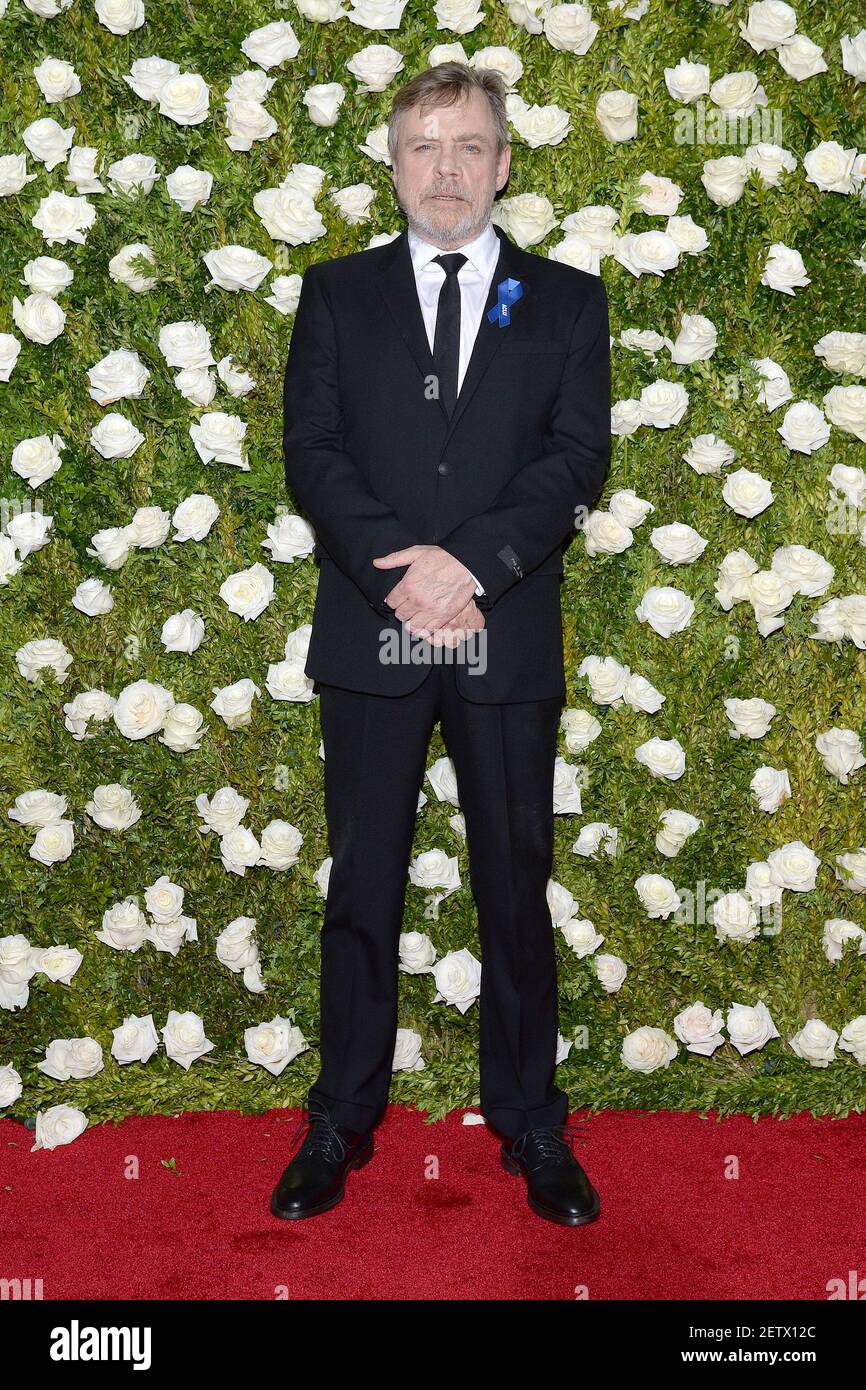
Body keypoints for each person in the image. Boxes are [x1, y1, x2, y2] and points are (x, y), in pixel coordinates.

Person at [273, 61, 611, 1226]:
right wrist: (405, 579)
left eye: (469, 145)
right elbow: (311, 453)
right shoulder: (335, 294)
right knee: (361, 884)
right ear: (392, 161)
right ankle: (339, 1120)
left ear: (504, 160)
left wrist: (468, 567)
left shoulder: (563, 301)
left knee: (514, 884)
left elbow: (573, 458)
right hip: (373, 635)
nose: (448, 169)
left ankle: (530, 1123)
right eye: (425, 146)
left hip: (500, 631)